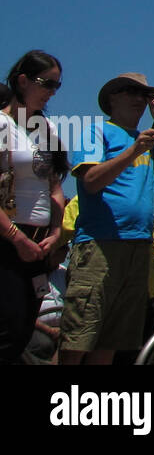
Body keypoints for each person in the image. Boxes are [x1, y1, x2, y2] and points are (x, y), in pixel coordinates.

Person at [59, 72, 154, 364]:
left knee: (112, 341)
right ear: (112, 98)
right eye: (132, 92)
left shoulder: (147, 141)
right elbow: (90, 181)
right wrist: (133, 150)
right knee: (79, 338)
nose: (140, 100)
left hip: (139, 249)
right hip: (100, 245)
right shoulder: (95, 131)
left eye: (145, 95)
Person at [0, 52, 70, 363]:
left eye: (57, 85)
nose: (52, 91)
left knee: (22, 332)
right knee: (8, 332)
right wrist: (16, 238)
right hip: (9, 240)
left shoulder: (46, 130)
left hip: (39, 243)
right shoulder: (2, 125)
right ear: (22, 80)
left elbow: (55, 185)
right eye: (47, 83)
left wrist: (56, 231)